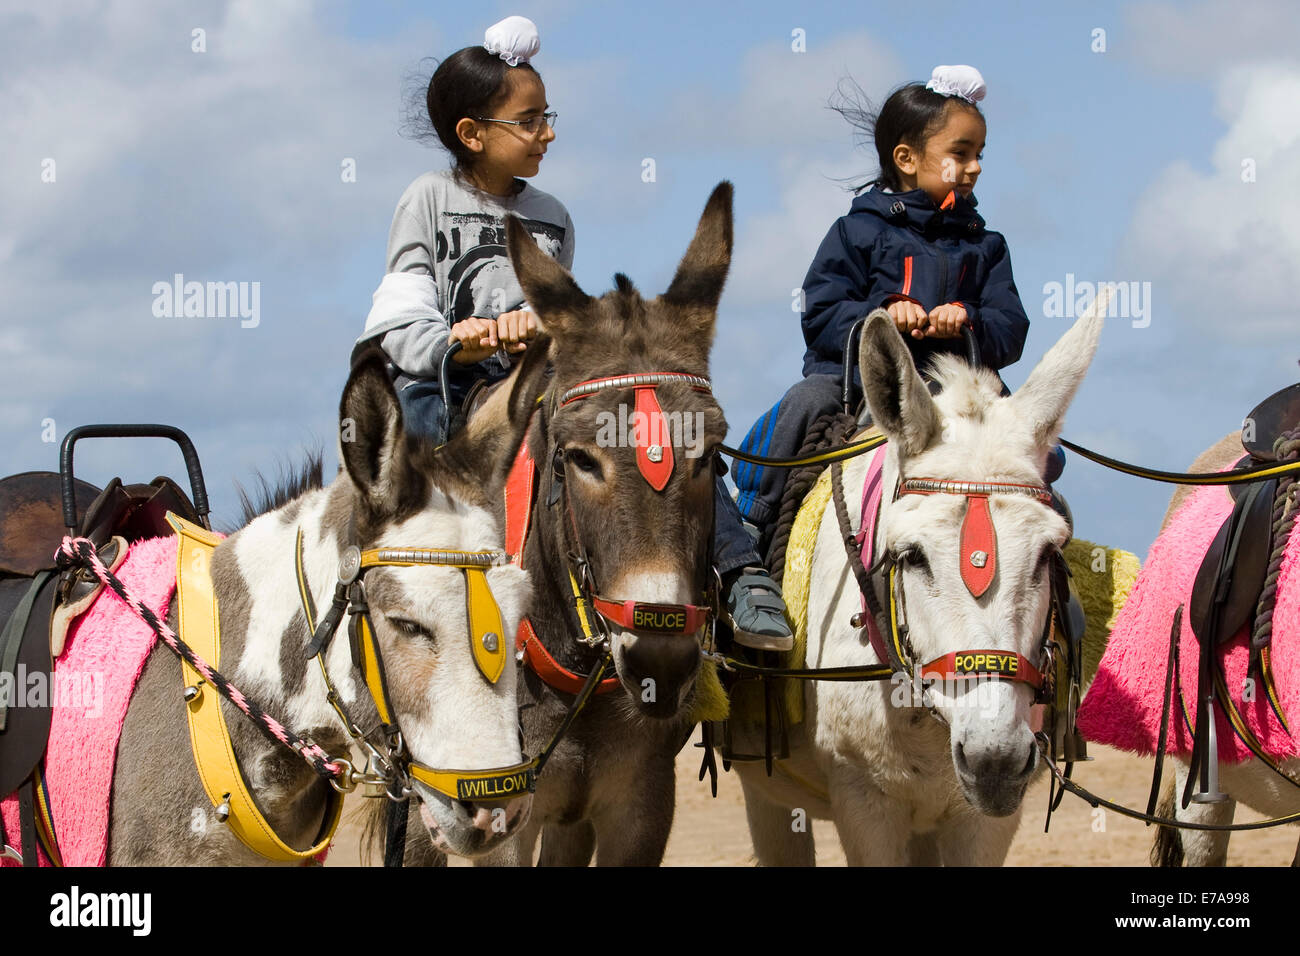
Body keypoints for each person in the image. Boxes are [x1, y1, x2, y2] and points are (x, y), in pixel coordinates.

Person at [353, 16, 792, 651]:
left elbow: (563, 318)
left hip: (544, 375)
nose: (547, 133)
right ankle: (409, 589)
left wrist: (556, 333)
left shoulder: (552, 217)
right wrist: (460, 341)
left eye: (547, 116)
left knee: (663, 425)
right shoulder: (426, 198)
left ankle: (737, 569)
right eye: (528, 120)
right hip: (448, 378)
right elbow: (400, 309)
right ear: (472, 134)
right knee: (409, 458)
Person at [734, 65, 1062, 547]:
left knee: (1041, 446)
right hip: (857, 382)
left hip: (955, 382)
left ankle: (1048, 540)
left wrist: (967, 321)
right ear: (907, 158)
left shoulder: (987, 246)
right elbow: (821, 311)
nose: (975, 167)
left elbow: (1010, 326)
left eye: (979, 155)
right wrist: (880, 317)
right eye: (961, 154)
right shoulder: (856, 231)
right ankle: (755, 519)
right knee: (804, 402)